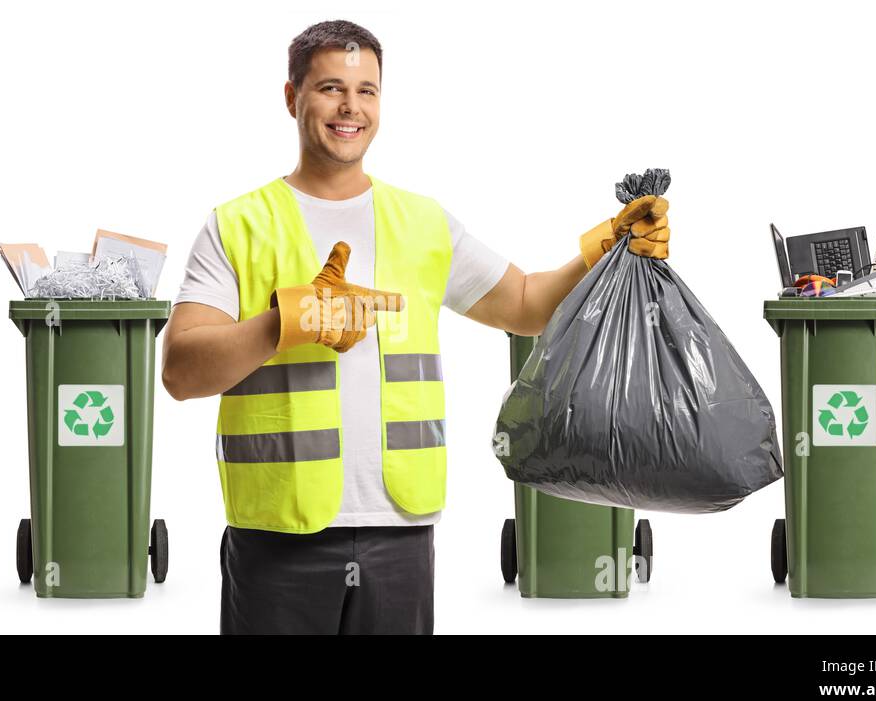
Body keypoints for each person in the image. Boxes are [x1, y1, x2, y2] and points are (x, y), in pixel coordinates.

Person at [161, 19, 669, 634]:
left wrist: (607, 247)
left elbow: (528, 305)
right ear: (292, 97)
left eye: (367, 91)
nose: (351, 107)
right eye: (330, 88)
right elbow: (181, 372)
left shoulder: (423, 223)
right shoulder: (237, 225)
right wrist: (284, 322)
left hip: (398, 535)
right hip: (277, 536)